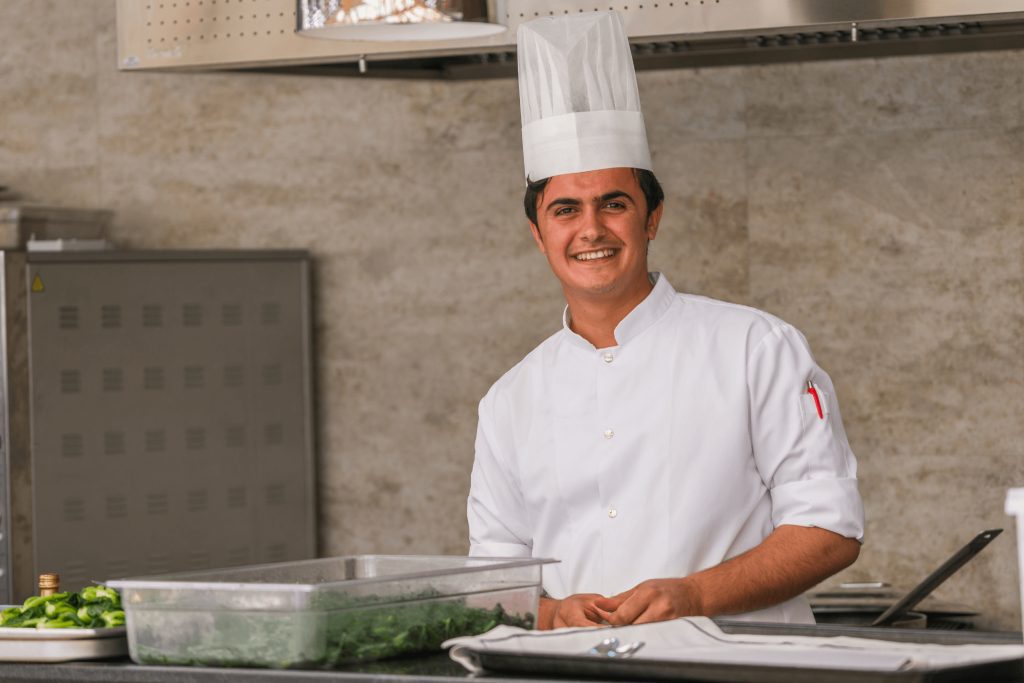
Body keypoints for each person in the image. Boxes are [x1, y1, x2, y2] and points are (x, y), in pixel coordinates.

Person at [467, 11, 864, 630]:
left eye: (614, 204)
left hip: (738, 673)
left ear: (651, 219)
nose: (591, 229)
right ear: (538, 234)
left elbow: (829, 529)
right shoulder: (509, 401)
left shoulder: (755, 348)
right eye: (566, 209)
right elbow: (492, 580)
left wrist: (697, 596)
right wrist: (548, 615)